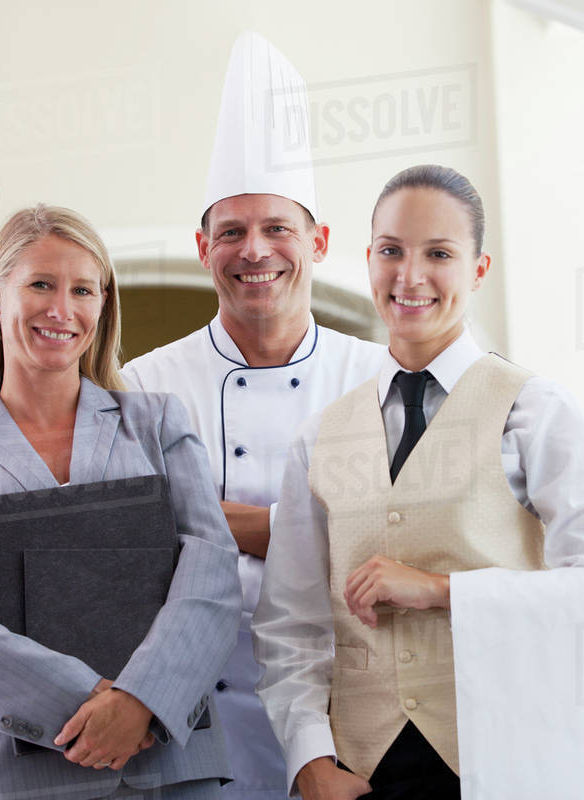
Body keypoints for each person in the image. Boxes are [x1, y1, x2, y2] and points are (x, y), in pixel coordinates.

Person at [252, 165, 584, 800]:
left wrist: (441, 591)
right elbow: (290, 626)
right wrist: (309, 762)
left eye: (438, 253)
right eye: (391, 251)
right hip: (363, 775)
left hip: (511, 766)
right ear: (369, 260)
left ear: (478, 269)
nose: (410, 276)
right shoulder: (318, 438)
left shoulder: (535, 412)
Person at [0, 204, 241, 799]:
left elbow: (211, 571)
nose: (62, 309)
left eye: (83, 289)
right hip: (20, 774)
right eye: (41, 285)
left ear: (103, 305)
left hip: (170, 768)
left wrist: (143, 702)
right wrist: (90, 708)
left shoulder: (157, 423)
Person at [122, 32, 382, 800]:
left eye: (277, 229)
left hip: (352, 715)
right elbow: (132, 540)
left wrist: (218, 518)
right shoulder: (144, 385)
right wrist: (308, 527)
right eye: (230, 231)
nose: (254, 250)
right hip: (195, 716)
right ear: (202, 248)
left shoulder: (374, 379)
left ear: (320, 242)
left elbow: (396, 539)